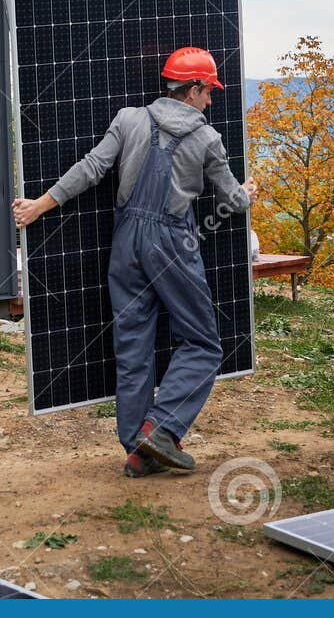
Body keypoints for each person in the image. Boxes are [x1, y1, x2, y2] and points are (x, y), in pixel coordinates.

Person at [13, 48, 256, 477]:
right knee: (203, 344)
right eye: (208, 92)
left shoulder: (129, 119)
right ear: (193, 89)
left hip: (125, 242)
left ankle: (139, 452)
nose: (210, 100)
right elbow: (233, 201)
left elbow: (91, 168)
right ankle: (161, 429)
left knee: (133, 348)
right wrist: (248, 194)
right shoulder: (207, 139)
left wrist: (38, 206)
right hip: (173, 243)